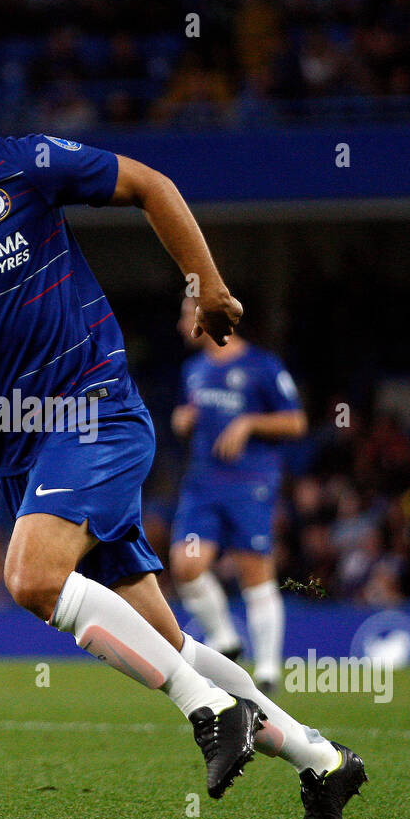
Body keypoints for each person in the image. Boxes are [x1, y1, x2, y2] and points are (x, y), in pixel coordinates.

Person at [0, 38, 365, 819]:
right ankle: (326, 762)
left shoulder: (21, 165)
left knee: (33, 579)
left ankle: (207, 713)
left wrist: (207, 285)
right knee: (168, 639)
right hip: (18, 451)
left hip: (95, 411)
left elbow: (152, 184)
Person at [169, 296, 307, 695]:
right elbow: (187, 414)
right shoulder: (192, 370)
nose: (180, 326)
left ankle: (266, 671)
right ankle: (226, 640)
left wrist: (248, 422)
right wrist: (184, 420)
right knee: (186, 565)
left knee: (254, 574)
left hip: (249, 484)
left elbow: (296, 421)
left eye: (184, 317)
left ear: (204, 321)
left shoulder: (262, 365)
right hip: (202, 485)